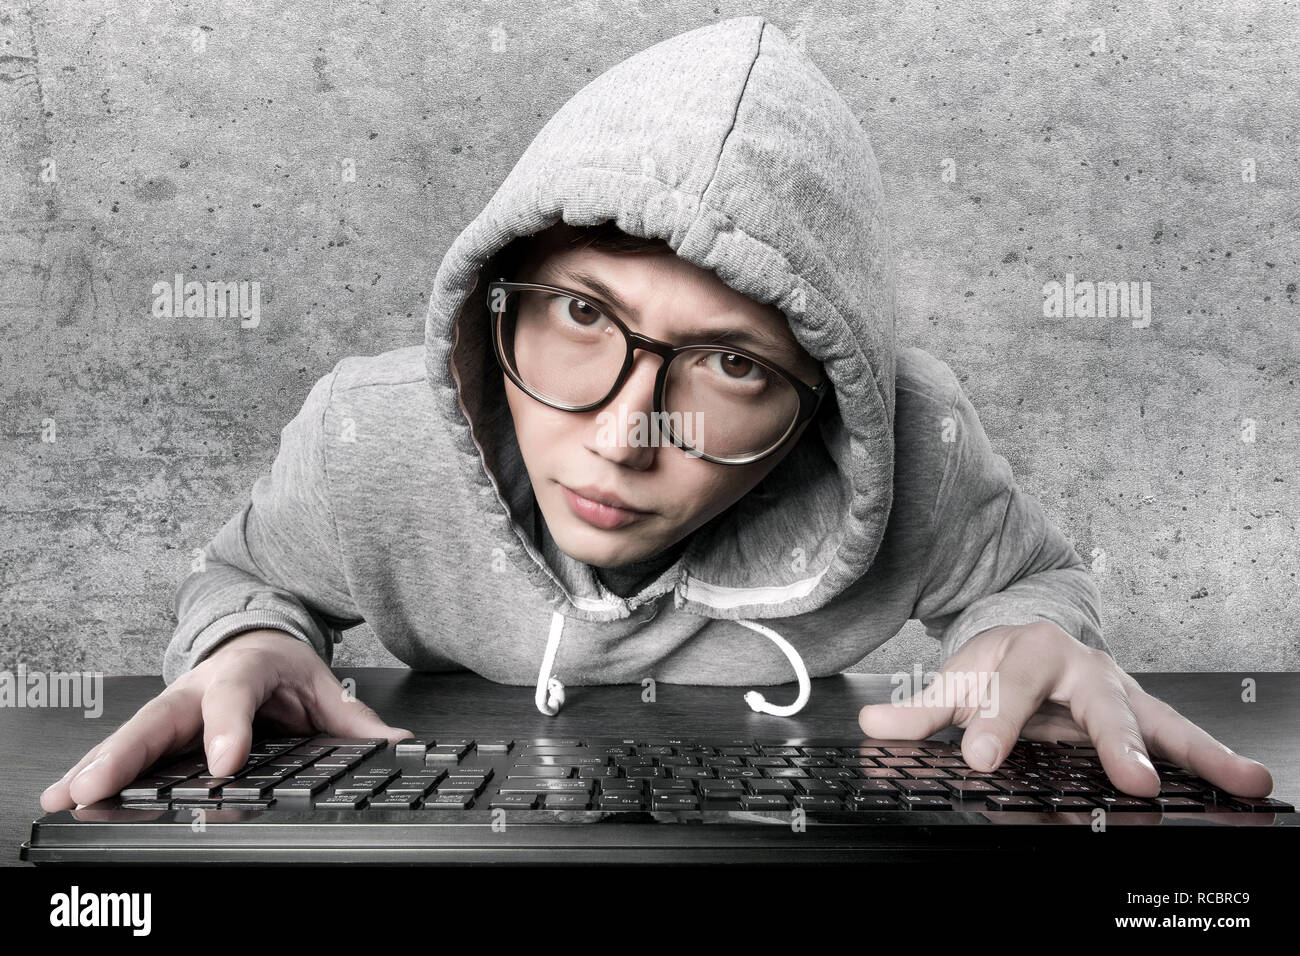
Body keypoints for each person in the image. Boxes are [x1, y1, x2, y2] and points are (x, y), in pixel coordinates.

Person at [42, 16, 1272, 812]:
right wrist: (252, 641)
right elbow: (245, 574)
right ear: (494, 311)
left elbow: (1031, 591)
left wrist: (1027, 640)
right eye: (582, 313)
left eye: (732, 366)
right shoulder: (368, 441)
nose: (629, 435)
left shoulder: (911, 446)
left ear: (823, 409)